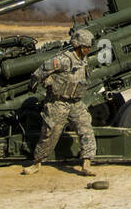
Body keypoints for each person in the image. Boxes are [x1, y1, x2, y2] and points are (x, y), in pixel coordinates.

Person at [21, 28, 98, 177]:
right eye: (87, 47)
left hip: (75, 103)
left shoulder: (83, 59)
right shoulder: (63, 59)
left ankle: (87, 163)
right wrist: (36, 85)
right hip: (58, 103)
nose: (89, 50)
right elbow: (41, 71)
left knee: (86, 130)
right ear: (79, 46)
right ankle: (37, 163)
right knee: (50, 134)